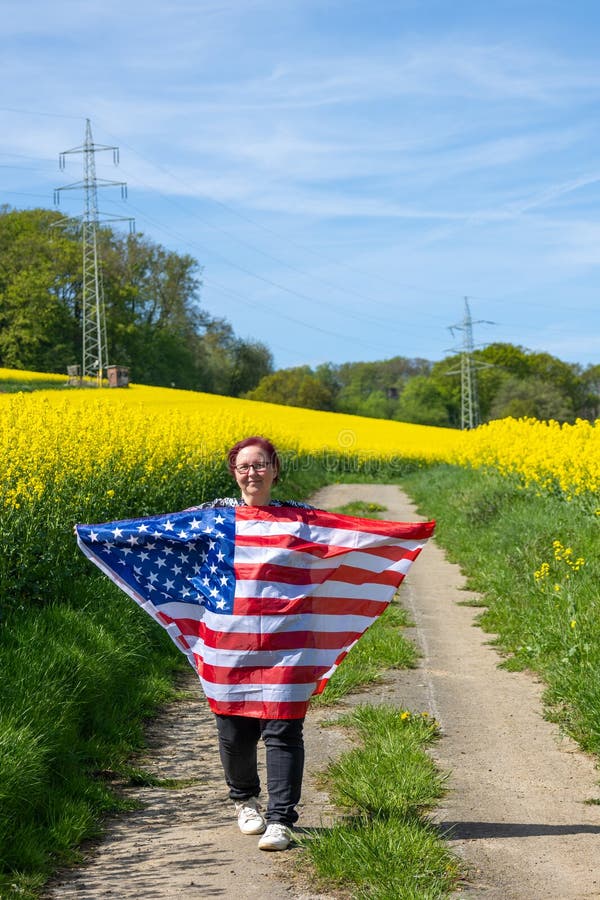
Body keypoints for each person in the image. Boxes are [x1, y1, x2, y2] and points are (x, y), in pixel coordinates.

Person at [187, 435, 314, 852]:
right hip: (228, 638)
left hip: (285, 639)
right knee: (234, 726)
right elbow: (158, 534)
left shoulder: (300, 517)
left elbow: (348, 540)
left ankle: (281, 819)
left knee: (283, 726)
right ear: (233, 473)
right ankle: (245, 802)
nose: (251, 473)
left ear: (275, 469)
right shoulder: (212, 515)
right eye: (243, 466)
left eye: (260, 465)